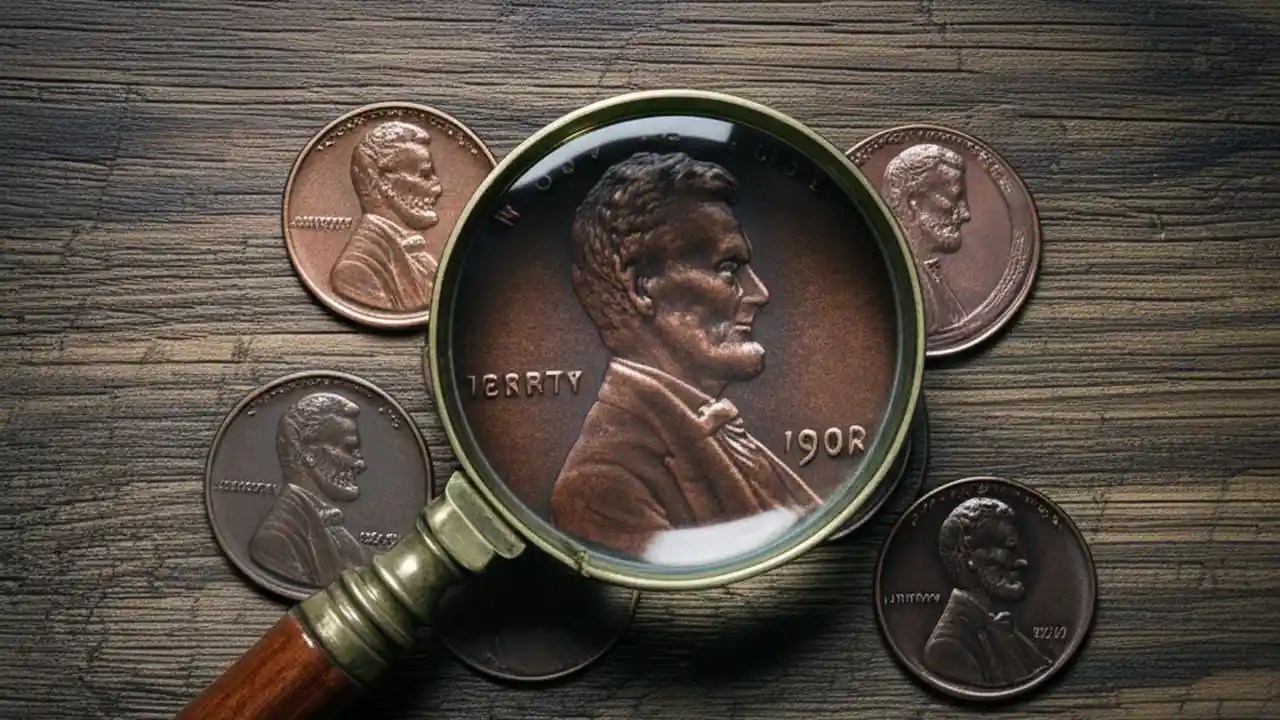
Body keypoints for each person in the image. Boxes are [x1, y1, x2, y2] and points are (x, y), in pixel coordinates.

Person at [549, 151, 821, 559]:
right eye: (728, 268)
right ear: (640, 286)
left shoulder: (707, 429)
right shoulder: (602, 485)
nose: (760, 293)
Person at [923, 497, 1051, 686]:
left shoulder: (1004, 627)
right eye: (1008, 548)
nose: (1023, 561)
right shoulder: (946, 647)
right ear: (969, 557)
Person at [250, 392, 369, 586]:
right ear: (306, 454)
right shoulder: (275, 541)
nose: (360, 464)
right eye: (349, 449)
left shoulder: (335, 529)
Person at [331, 120, 443, 312]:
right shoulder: (355, 269)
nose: (437, 189)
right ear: (377, 181)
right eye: (424, 175)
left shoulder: (418, 256)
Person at [882, 143, 973, 333]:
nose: (965, 214)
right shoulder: (895, 283)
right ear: (911, 203)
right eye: (955, 198)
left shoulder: (926, 273)